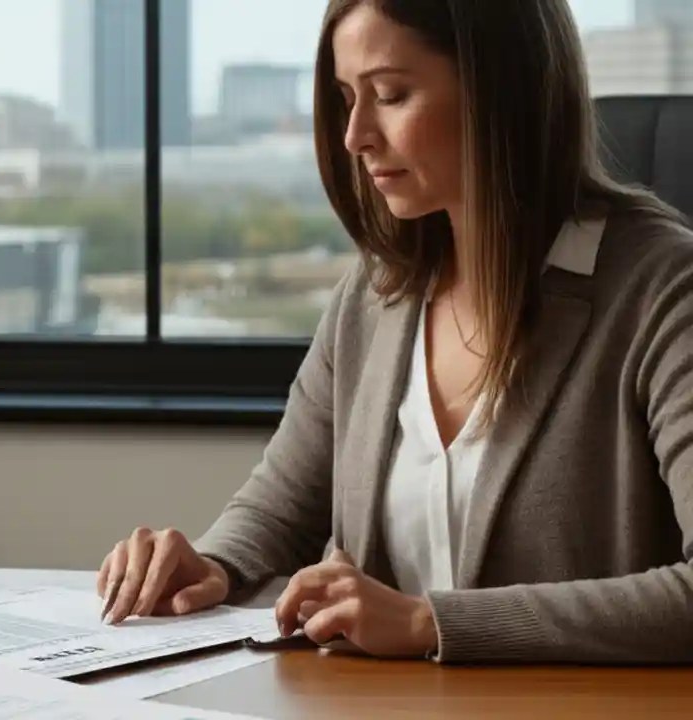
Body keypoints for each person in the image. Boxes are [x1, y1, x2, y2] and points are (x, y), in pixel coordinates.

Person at [96, 0, 693, 664]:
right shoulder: (375, 293)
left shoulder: (662, 289)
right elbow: (282, 507)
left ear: (501, 88)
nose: (355, 135)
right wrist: (215, 564)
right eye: (348, 98)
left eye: (390, 94)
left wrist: (427, 624)